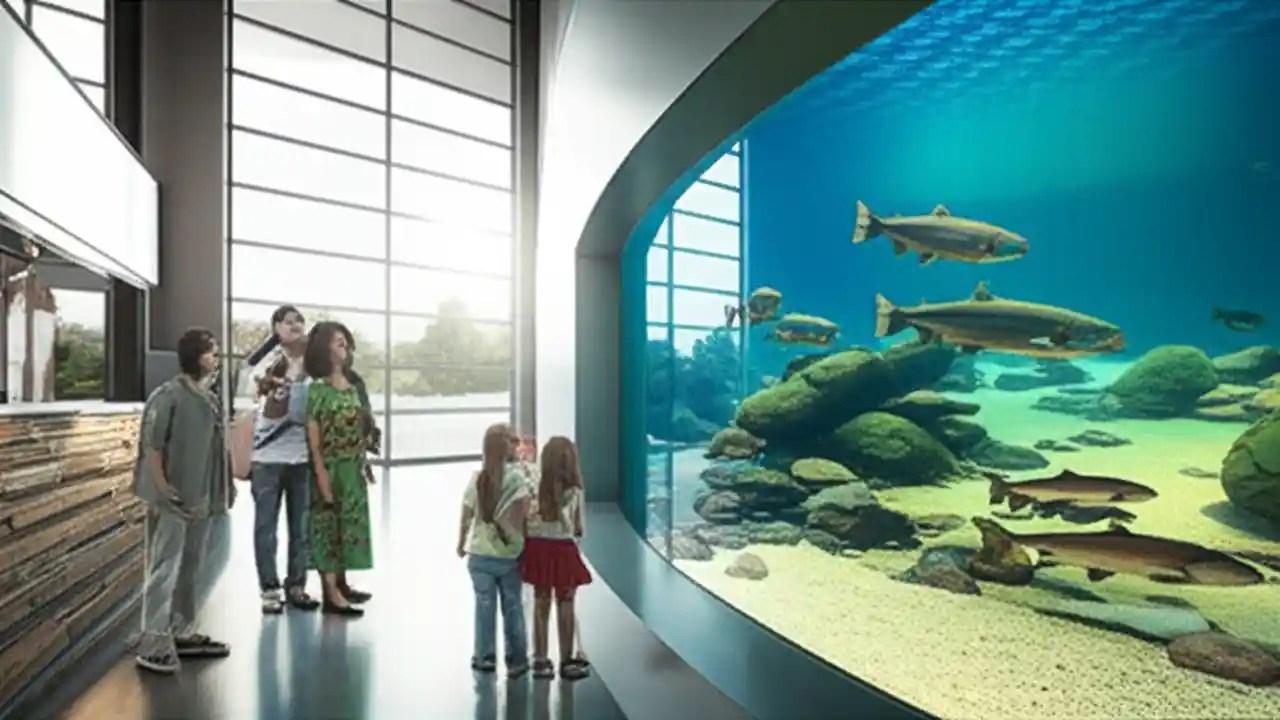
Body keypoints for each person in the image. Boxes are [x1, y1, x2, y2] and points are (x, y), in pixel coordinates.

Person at [131, 328, 235, 675]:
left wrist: (225, 488)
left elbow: (218, 446)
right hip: (174, 499)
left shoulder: (209, 398)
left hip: (204, 497)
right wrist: (163, 487)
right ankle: (153, 641)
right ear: (195, 356)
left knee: (192, 566)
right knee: (164, 568)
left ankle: (181, 631)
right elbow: (153, 446)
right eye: (211, 352)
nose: (216, 358)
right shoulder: (168, 396)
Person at [249, 305, 320, 614]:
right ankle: (269, 589)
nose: (296, 325)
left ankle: (297, 586)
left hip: (301, 456)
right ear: (276, 327)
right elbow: (251, 399)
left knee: (301, 528)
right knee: (266, 527)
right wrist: (272, 385)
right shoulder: (264, 361)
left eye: (299, 321)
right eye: (288, 321)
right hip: (267, 456)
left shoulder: (315, 363)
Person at [304, 322, 374, 615]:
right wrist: (321, 474)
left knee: (349, 526)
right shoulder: (317, 391)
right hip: (330, 467)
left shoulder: (353, 385)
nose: (343, 346)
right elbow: (314, 442)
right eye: (337, 342)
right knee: (327, 528)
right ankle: (330, 593)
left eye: (345, 341)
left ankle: (342, 584)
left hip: (352, 467)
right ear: (324, 348)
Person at [457, 423, 532, 678]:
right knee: (513, 607)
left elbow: (466, 513)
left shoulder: (478, 478)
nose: (518, 444)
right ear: (507, 446)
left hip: (478, 555)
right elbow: (523, 511)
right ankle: (517, 660)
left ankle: (485, 656)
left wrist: (460, 542)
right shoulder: (517, 478)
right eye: (515, 440)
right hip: (509, 555)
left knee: (483, 607)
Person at [521, 436, 593, 680]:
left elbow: (527, 519)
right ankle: (567, 659)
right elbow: (578, 528)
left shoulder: (535, 484)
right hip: (563, 549)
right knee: (566, 602)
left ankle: (540, 659)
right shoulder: (575, 490)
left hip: (538, 548)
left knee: (541, 602)